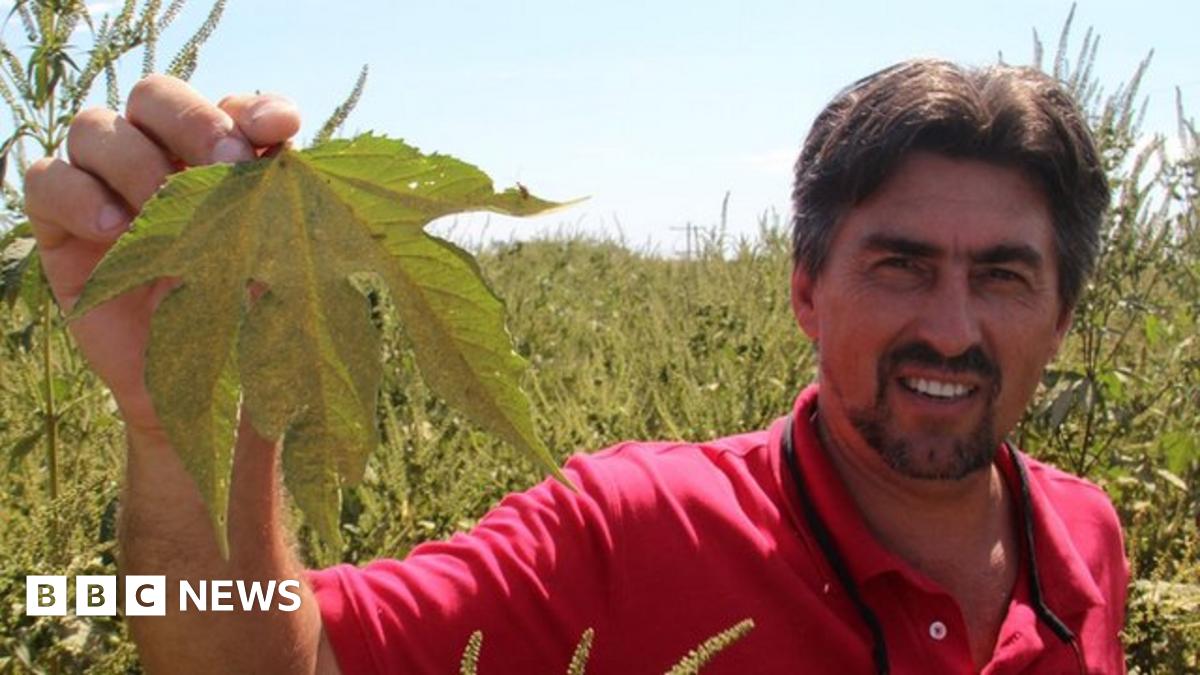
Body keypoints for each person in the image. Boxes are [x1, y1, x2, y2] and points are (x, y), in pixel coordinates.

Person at [23, 58, 1128, 674]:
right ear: (804, 292)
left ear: (1064, 314)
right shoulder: (638, 526)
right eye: (899, 265)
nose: (951, 326)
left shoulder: (1085, 538)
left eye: (1003, 276)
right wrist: (188, 415)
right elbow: (267, 667)